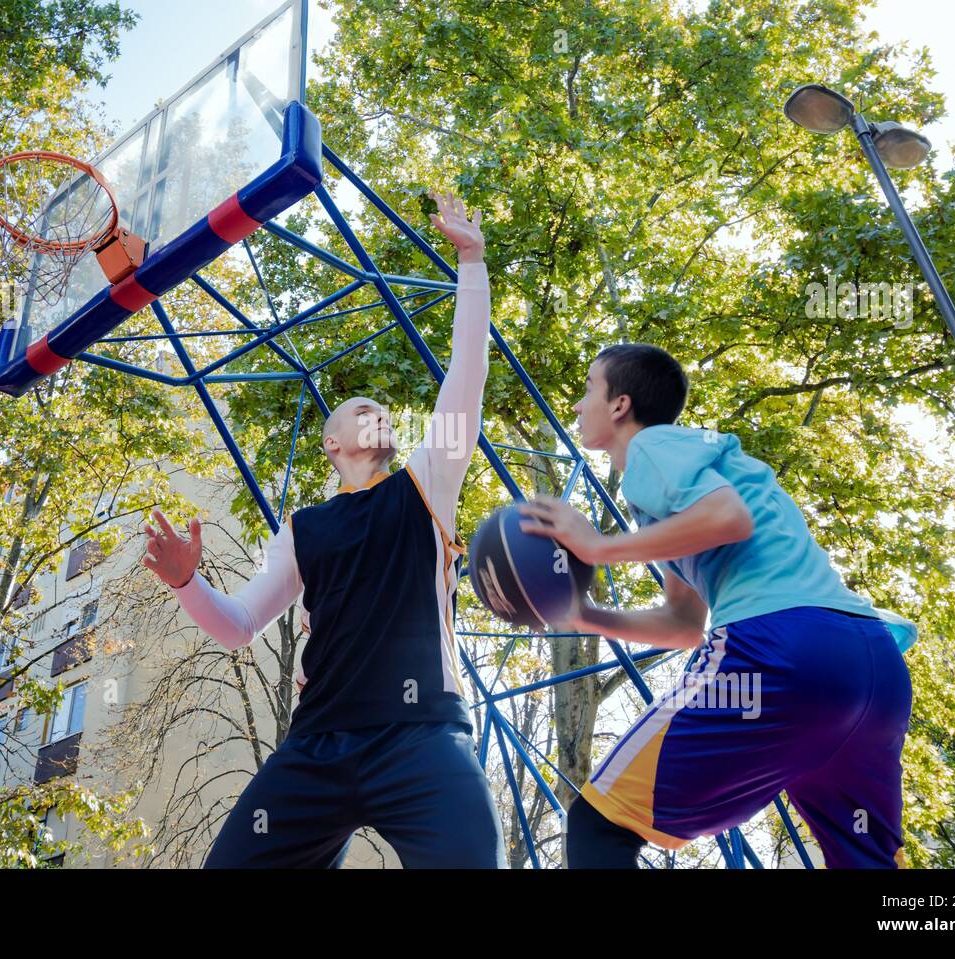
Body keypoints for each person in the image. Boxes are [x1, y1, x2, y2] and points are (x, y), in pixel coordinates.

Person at [142, 191, 506, 868]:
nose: (379, 414)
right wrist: (187, 580)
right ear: (332, 443)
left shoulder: (428, 483)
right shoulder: (303, 528)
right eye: (360, 408)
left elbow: (467, 372)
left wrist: (473, 260)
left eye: (384, 410)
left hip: (421, 735)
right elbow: (238, 625)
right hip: (317, 746)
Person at [518, 343, 914, 868]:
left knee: (600, 823)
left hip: (782, 652)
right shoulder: (683, 483)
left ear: (619, 406)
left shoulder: (653, 447)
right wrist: (585, 615)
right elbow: (684, 624)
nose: (576, 405)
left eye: (588, 388)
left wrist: (598, 548)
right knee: (864, 858)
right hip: (871, 665)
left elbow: (730, 518)